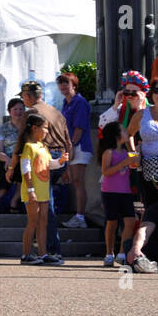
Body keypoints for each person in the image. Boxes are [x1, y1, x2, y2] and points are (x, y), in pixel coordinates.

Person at [15, 113, 67, 264]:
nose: (47, 132)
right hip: (33, 190)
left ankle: (43, 254)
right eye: (45, 129)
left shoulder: (43, 146)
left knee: (43, 221)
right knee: (33, 221)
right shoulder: (28, 147)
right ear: (35, 128)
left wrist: (61, 161)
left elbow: (49, 164)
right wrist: (30, 190)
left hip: (44, 190)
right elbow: (25, 169)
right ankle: (26, 255)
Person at [127, 78, 158, 209]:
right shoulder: (141, 115)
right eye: (157, 90)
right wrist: (133, 155)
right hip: (152, 172)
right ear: (151, 94)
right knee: (152, 210)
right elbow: (128, 135)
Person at [97, 121, 137, 268]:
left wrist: (132, 152)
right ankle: (109, 253)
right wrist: (123, 163)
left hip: (125, 191)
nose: (127, 133)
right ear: (116, 136)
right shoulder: (108, 152)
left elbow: (134, 164)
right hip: (110, 192)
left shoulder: (126, 151)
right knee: (112, 222)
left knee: (130, 221)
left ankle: (122, 252)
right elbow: (105, 171)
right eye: (124, 131)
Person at [56, 72, 93, 227]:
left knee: (78, 180)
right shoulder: (66, 103)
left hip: (79, 145)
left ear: (74, 85)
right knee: (74, 181)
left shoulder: (80, 102)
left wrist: (70, 147)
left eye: (66, 83)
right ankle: (78, 216)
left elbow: (79, 128)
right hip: (69, 146)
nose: (63, 86)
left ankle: (80, 217)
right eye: (61, 83)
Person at [0, 97, 25, 213]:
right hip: (5, 159)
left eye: (21, 109)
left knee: (21, 170)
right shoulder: (2, 129)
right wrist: (8, 159)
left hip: (23, 160)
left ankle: (14, 201)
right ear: (9, 111)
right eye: (15, 109)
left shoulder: (27, 128)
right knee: (6, 172)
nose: (18, 112)